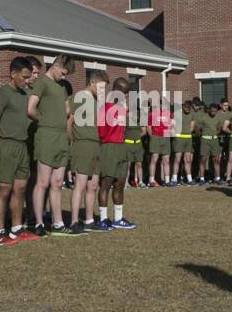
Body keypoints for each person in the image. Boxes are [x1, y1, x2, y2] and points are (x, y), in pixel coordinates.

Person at [0, 56, 38, 244]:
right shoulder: (2, 94)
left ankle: (17, 228)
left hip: (22, 146)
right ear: (13, 74)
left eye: (29, 77)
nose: (27, 81)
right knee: (3, 190)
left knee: (20, 189)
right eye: (24, 77)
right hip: (5, 145)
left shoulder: (26, 96)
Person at [27, 54, 76, 235]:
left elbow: (66, 110)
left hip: (60, 137)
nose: (64, 77)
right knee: (42, 182)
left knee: (57, 182)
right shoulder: (42, 82)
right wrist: (44, 121)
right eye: (63, 73)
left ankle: (58, 223)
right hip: (46, 136)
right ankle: (39, 223)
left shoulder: (61, 86)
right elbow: (31, 109)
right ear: (55, 65)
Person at [95, 76, 136, 230]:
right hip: (109, 147)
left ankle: (118, 218)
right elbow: (100, 132)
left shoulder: (122, 108)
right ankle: (103, 219)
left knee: (119, 184)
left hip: (121, 147)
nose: (125, 96)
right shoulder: (104, 108)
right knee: (106, 183)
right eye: (124, 93)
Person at [67, 69, 105, 233]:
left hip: (96, 145)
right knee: (80, 185)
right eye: (102, 87)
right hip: (82, 145)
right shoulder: (78, 98)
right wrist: (72, 141)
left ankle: (89, 219)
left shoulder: (97, 102)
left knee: (93, 185)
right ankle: (74, 221)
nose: (104, 91)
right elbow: (68, 120)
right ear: (92, 82)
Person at [194, 103, 223, 184]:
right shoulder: (203, 117)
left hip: (214, 140)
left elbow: (219, 128)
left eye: (215, 111)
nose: (214, 113)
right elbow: (197, 128)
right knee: (203, 159)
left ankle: (217, 178)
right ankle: (202, 178)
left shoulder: (218, 118)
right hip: (205, 140)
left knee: (216, 160)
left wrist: (215, 134)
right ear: (209, 110)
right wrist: (201, 135)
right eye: (212, 111)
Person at [146, 101, 172, 186]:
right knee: (154, 159)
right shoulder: (152, 114)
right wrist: (152, 137)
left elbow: (171, 125)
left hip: (165, 138)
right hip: (155, 138)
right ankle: (151, 180)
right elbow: (149, 128)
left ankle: (167, 181)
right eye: (162, 104)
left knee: (166, 160)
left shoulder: (169, 113)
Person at [171, 100, 195, 185]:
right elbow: (172, 127)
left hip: (188, 139)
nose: (188, 109)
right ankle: (174, 179)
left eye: (189, 108)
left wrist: (188, 132)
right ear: (183, 106)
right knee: (177, 159)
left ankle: (189, 179)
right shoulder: (176, 114)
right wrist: (177, 134)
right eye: (186, 107)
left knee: (187, 160)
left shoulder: (192, 114)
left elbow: (192, 126)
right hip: (179, 139)